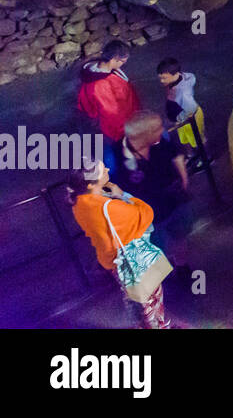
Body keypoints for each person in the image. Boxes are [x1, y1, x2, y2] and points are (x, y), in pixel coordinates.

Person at [71, 160, 171, 328]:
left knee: (136, 301)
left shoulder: (79, 203)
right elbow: (145, 214)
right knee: (151, 299)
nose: (108, 169)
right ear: (90, 184)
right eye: (103, 171)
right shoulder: (109, 207)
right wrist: (122, 195)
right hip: (134, 259)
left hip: (113, 262)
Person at [112, 110, 191, 267]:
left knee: (180, 236)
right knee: (157, 246)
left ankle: (182, 266)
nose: (162, 130)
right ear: (144, 135)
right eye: (157, 129)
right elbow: (113, 188)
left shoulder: (159, 142)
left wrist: (184, 179)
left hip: (172, 203)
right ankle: (165, 268)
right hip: (146, 217)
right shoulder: (116, 155)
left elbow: (176, 155)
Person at [77, 40, 142, 149]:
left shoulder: (101, 69)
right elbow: (112, 114)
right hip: (119, 127)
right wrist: (128, 131)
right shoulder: (100, 86)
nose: (124, 64)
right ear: (114, 59)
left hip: (128, 116)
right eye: (123, 61)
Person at [156, 57, 205, 155]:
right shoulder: (184, 76)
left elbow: (190, 109)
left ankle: (205, 158)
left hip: (189, 119)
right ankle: (191, 155)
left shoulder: (181, 94)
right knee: (185, 139)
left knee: (197, 140)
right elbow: (190, 76)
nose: (161, 81)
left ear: (176, 74)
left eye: (164, 78)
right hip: (182, 118)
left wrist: (178, 119)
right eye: (160, 78)